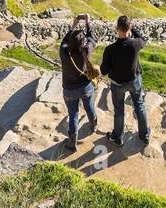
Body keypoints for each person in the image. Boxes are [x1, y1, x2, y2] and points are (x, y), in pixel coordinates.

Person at [100, 15, 149, 148]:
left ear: (116, 29)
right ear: (130, 28)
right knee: (139, 106)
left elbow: (103, 71)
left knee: (119, 110)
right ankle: (145, 136)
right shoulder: (136, 44)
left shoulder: (110, 49)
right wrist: (134, 30)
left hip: (117, 84)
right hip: (134, 81)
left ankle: (118, 137)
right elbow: (144, 39)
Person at [59, 14, 98, 152]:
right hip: (85, 86)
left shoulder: (64, 52)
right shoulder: (86, 51)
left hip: (69, 89)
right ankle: (93, 126)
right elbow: (92, 39)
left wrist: (73, 26)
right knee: (89, 107)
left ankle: (72, 142)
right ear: (83, 43)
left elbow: (64, 41)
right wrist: (88, 23)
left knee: (73, 115)